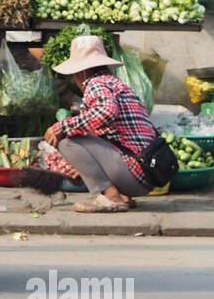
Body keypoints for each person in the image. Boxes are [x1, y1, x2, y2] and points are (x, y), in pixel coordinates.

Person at [43, 35, 156, 213]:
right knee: (85, 134)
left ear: (81, 72)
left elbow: (106, 112)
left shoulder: (95, 83)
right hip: (147, 173)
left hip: (134, 172)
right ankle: (123, 195)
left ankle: (111, 197)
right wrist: (87, 169)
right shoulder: (116, 83)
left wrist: (62, 126)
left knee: (66, 141)